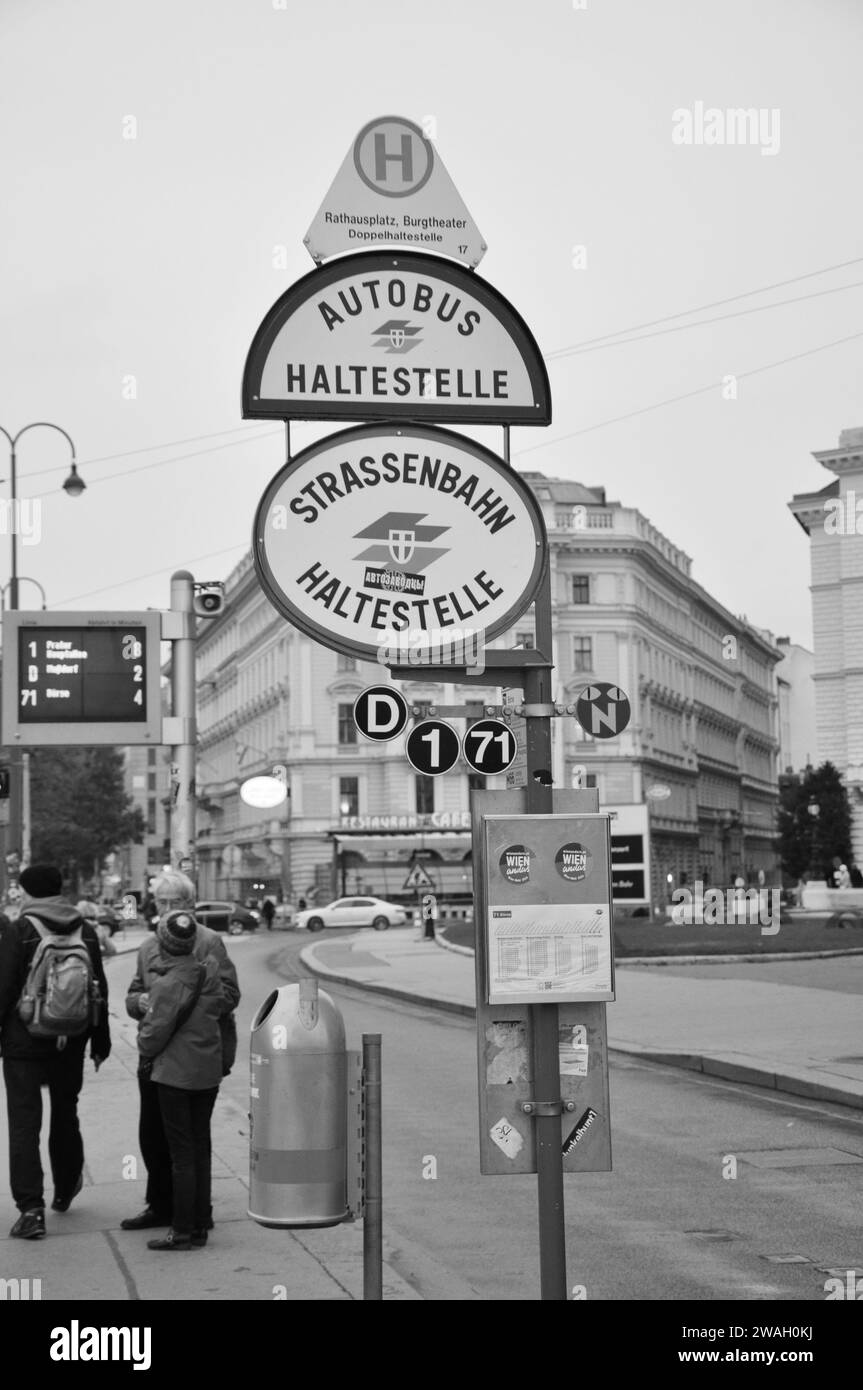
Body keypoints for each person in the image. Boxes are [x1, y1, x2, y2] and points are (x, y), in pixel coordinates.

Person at [122, 870, 239, 1233]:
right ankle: (160, 1205)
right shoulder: (147, 946)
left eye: (176, 903)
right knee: (152, 1134)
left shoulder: (207, 942)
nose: (169, 909)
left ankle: (193, 1213)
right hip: (153, 1055)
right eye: (163, 902)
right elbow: (133, 994)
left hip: (192, 1054)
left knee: (190, 1139)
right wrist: (139, 1002)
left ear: (190, 905)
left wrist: (183, 1007)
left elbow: (230, 995)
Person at [0, 864, 111, 1240]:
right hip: (72, 1038)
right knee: (66, 1113)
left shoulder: (20, 929)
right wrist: (101, 1039)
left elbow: (5, 987)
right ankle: (65, 1187)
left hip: (23, 1041)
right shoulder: (86, 929)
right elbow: (99, 986)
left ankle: (31, 1209)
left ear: (28, 893)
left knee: (24, 1124)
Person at [136, 910, 224, 1251]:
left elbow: (150, 1039)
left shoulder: (167, 985)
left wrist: (147, 1023)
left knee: (181, 1154)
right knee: (200, 1148)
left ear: (163, 944)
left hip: (175, 1075)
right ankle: (201, 1222)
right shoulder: (208, 974)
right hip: (207, 1070)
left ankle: (182, 1230)